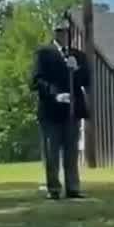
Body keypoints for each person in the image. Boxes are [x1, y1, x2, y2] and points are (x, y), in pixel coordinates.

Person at [33, 17, 91, 200]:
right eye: (59, 31)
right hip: (51, 111)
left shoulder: (79, 56)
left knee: (71, 152)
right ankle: (54, 188)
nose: (63, 35)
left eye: (65, 32)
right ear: (54, 33)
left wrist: (78, 70)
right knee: (51, 153)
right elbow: (37, 81)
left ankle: (73, 187)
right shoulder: (44, 53)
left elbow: (87, 81)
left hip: (72, 111)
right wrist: (55, 95)